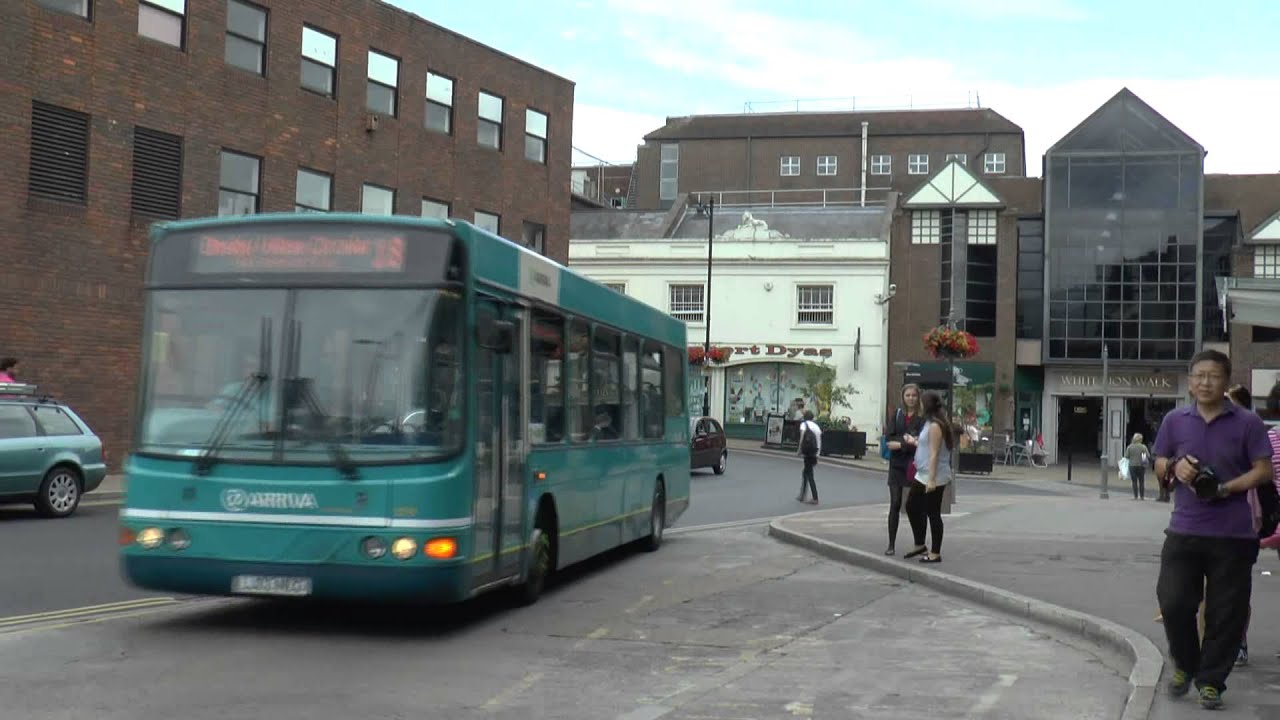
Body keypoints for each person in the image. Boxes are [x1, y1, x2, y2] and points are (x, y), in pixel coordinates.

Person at [1153, 350, 1274, 710]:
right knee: (1173, 602)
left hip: (1233, 534)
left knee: (1226, 612)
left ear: (1226, 382)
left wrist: (1226, 488)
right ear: (1190, 382)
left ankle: (1211, 681)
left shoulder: (1247, 422)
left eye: (1213, 376)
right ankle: (1186, 664)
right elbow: (1159, 462)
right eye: (1199, 376)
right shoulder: (1175, 420)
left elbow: (1264, 470)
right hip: (1184, 529)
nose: (1205, 382)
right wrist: (1175, 466)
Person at [908, 391, 953, 564]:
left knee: (933, 513)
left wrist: (932, 480)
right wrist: (915, 442)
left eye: (920, 402)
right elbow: (926, 445)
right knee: (911, 505)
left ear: (926, 405)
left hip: (933, 474)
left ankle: (935, 553)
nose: (918, 405)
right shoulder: (929, 423)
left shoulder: (935, 426)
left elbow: (934, 453)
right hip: (922, 473)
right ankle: (920, 544)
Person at [883, 384, 926, 557]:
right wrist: (907, 442)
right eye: (908, 395)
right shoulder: (898, 414)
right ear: (903, 397)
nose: (911, 398)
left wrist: (901, 444)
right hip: (896, 465)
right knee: (895, 503)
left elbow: (922, 442)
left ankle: (919, 544)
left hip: (914, 464)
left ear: (918, 397)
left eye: (913, 395)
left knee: (916, 506)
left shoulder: (922, 418)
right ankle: (891, 544)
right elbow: (889, 439)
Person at [796, 410, 821, 505]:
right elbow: (819, 442)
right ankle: (802, 495)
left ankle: (815, 498)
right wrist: (817, 455)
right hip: (814, 452)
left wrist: (799, 450)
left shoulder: (804, 425)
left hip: (807, 452)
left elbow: (802, 437)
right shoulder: (817, 427)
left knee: (809, 474)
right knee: (806, 472)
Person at [1124, 433, 1151, 500]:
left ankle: (1135, 496)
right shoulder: (1143, 447)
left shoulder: (1130, 447)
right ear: (1140, 439)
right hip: (1141, 466)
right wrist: (1142, 457)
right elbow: (1147, 456)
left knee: (1134, 481)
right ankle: (1142, 496)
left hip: (1132, 466)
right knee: (1141, 481)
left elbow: (1126, 456)